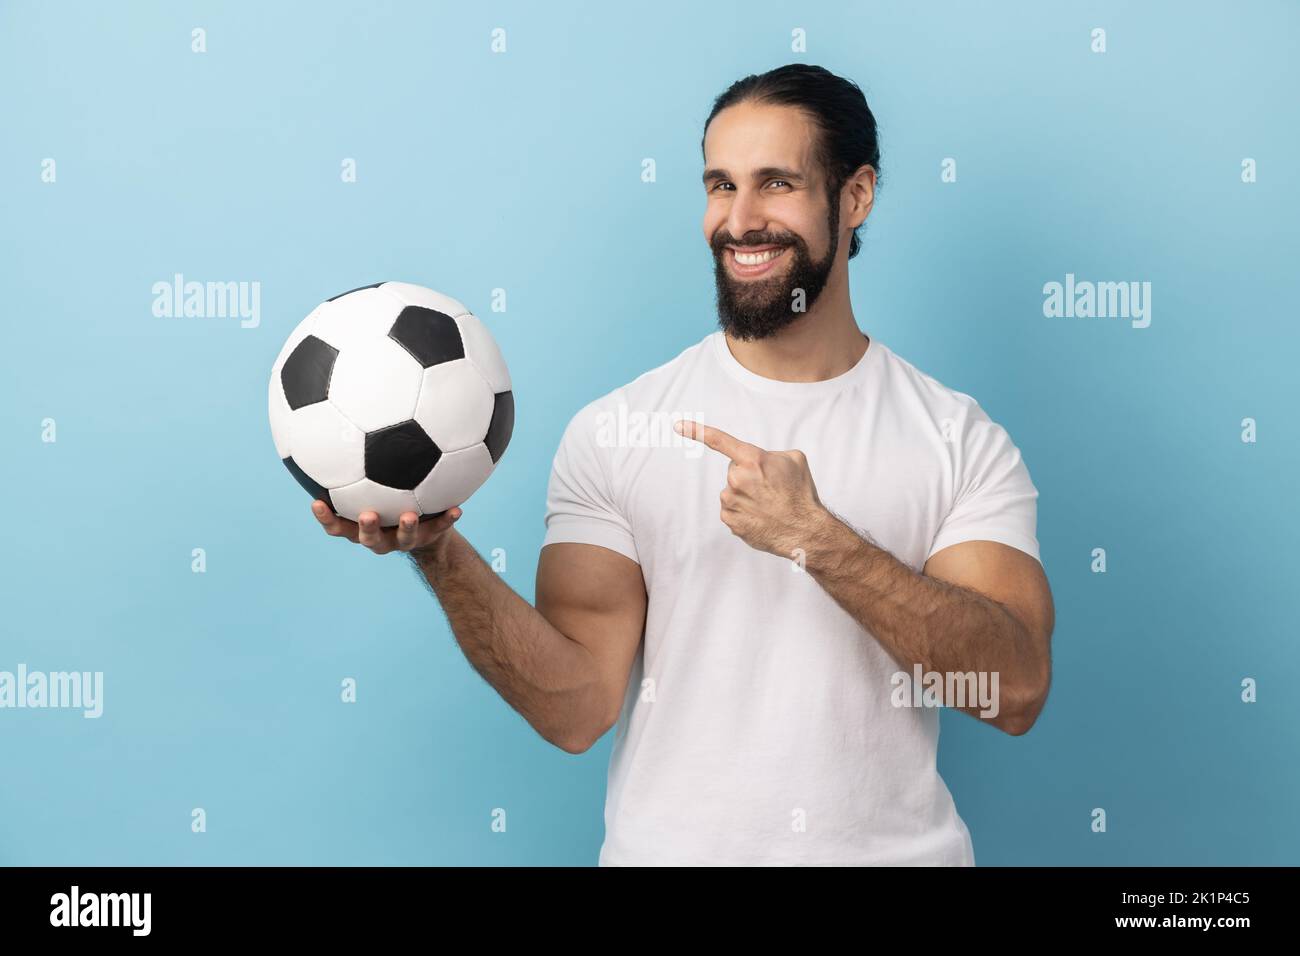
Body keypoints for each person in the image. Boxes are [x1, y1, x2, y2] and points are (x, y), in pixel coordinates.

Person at [311, 64, 1055, 866]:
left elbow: (1012, 691)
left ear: (855, 197)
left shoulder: (957, 438)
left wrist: (819, 540)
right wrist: (440, 556)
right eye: (719, 185)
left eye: (776, 184)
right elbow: (576, 709)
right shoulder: (618, 431)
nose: (739, 221)